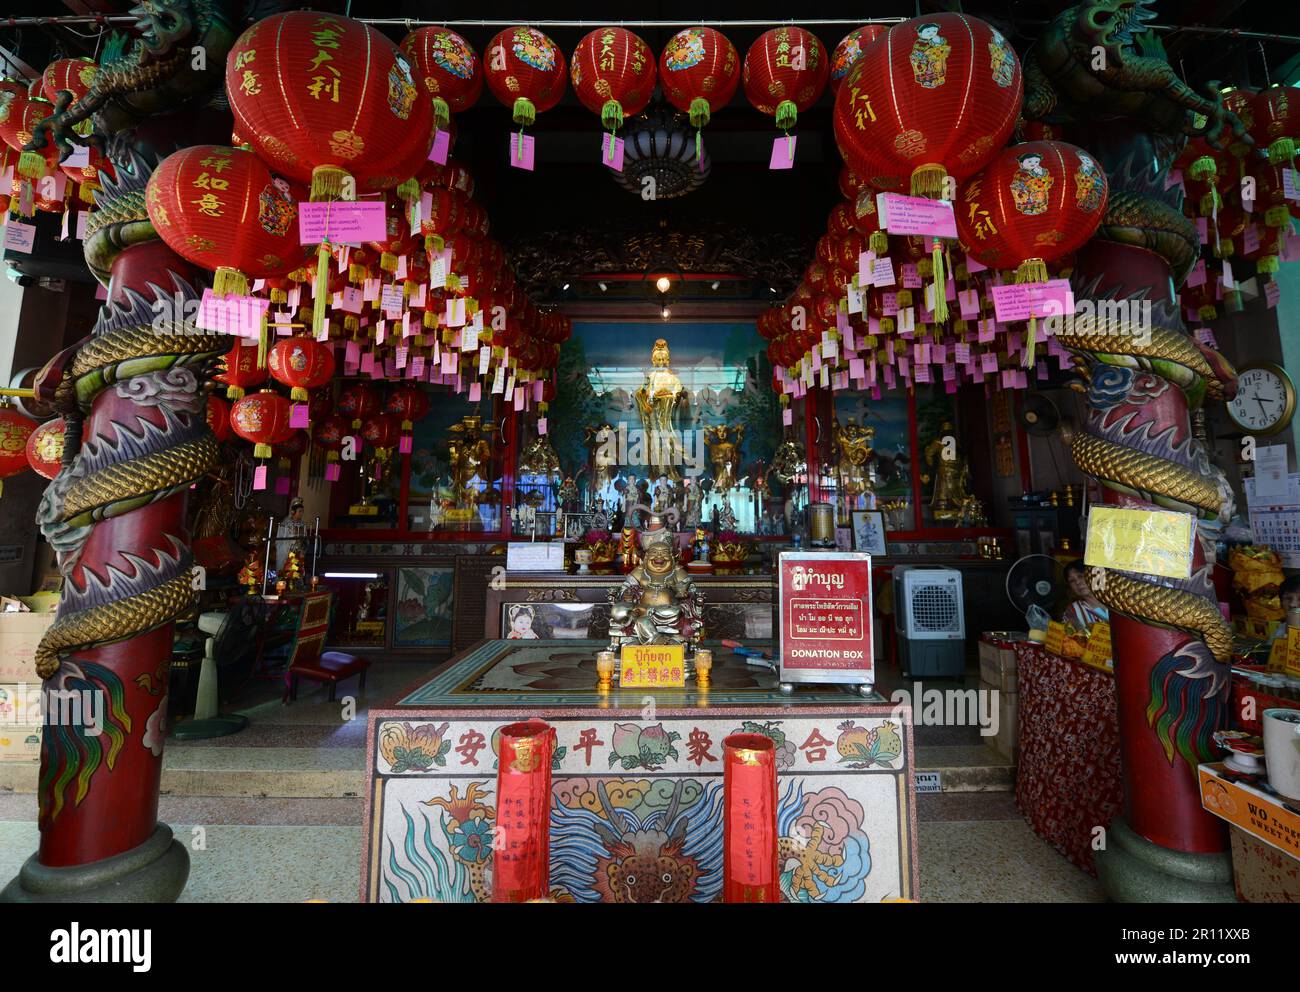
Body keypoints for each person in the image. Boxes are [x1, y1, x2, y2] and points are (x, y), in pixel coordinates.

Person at [1061, 559, 1108, 636]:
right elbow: (1068, 641)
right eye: (1072, 581)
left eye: (1080, 576)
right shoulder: (1072, 611)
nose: (1077, 582)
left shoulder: (1115, 603)